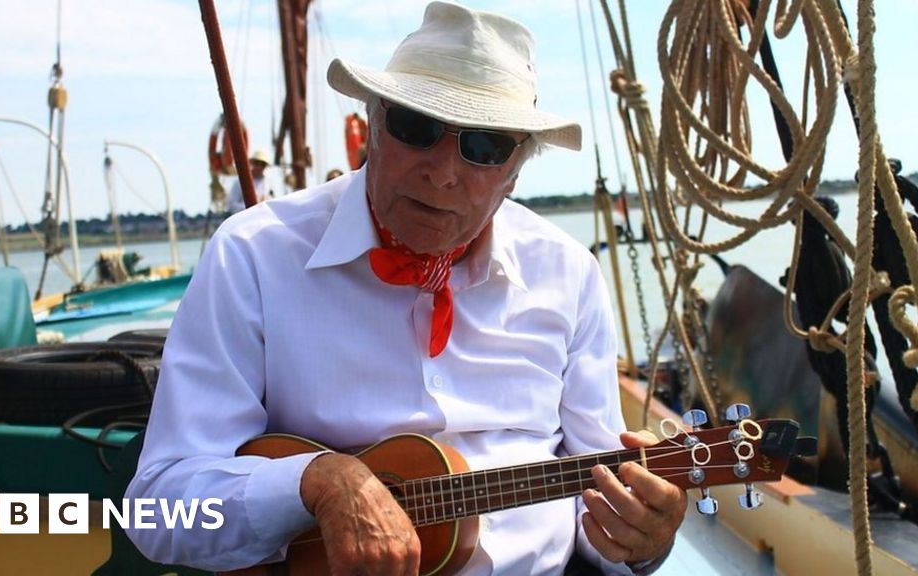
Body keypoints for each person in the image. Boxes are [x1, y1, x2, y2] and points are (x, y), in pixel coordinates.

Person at [126, 2, 686, 574]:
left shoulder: (568, 273)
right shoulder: (253, 254)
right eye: (417, 128)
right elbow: (159, 511)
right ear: (372, 126)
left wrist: (640, 540)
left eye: (485, 147)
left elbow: (600, 510)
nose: (442, 173)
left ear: (515, 172)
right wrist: (315, 483)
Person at [226, 148, 273, 214]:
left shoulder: (267, 182)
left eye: (262, 164)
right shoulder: (240, 181)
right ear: (251, 163)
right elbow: (231, 205)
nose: (259, 167)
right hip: (243, 217)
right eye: (257, 163)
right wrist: (252, 207)